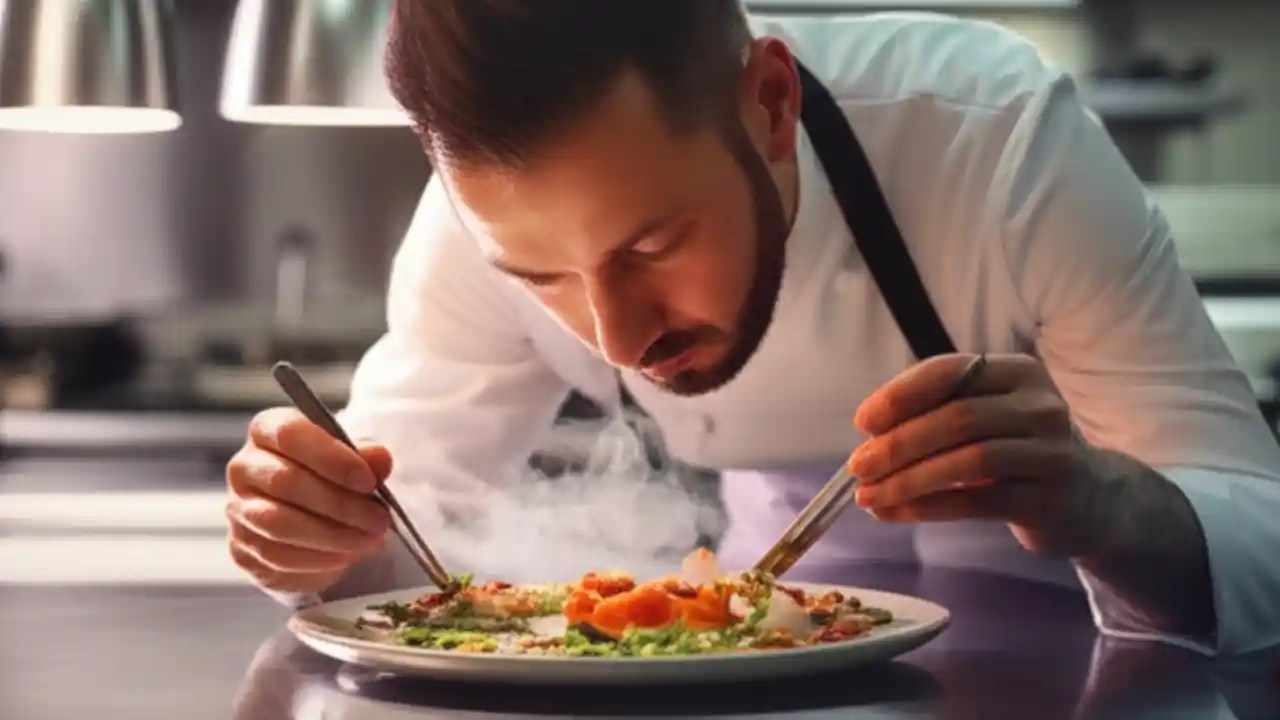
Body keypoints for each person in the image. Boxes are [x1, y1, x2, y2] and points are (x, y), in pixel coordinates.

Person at [224, 2, 1280, 656]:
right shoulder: (478, 222)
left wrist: (1099, 500)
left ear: (770, 103)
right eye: (542, 275)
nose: (615, 332)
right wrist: (318, 534)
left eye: (650, 245)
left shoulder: (997, 141)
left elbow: (1259, 539)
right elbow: (405, 553)